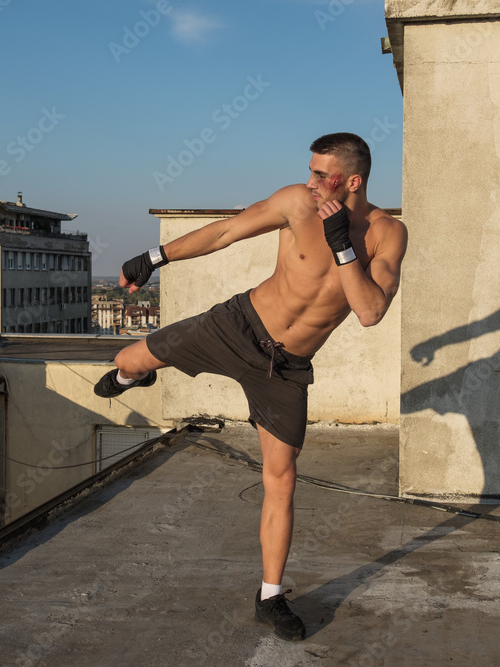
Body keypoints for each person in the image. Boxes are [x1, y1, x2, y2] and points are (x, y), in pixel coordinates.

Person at [95, 132, 408, 641]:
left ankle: (270, 596)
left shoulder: (386, 233)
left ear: (351, 182)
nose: (310, 182)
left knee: (281, 478)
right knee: (125, 359)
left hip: (284, 369)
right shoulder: (296, 203)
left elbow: (370, 311)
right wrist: (153, 258)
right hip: (237, 326)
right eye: (309, 171)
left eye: (320, 174)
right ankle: (136, 374)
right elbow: (226, 232)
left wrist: (342, 245)